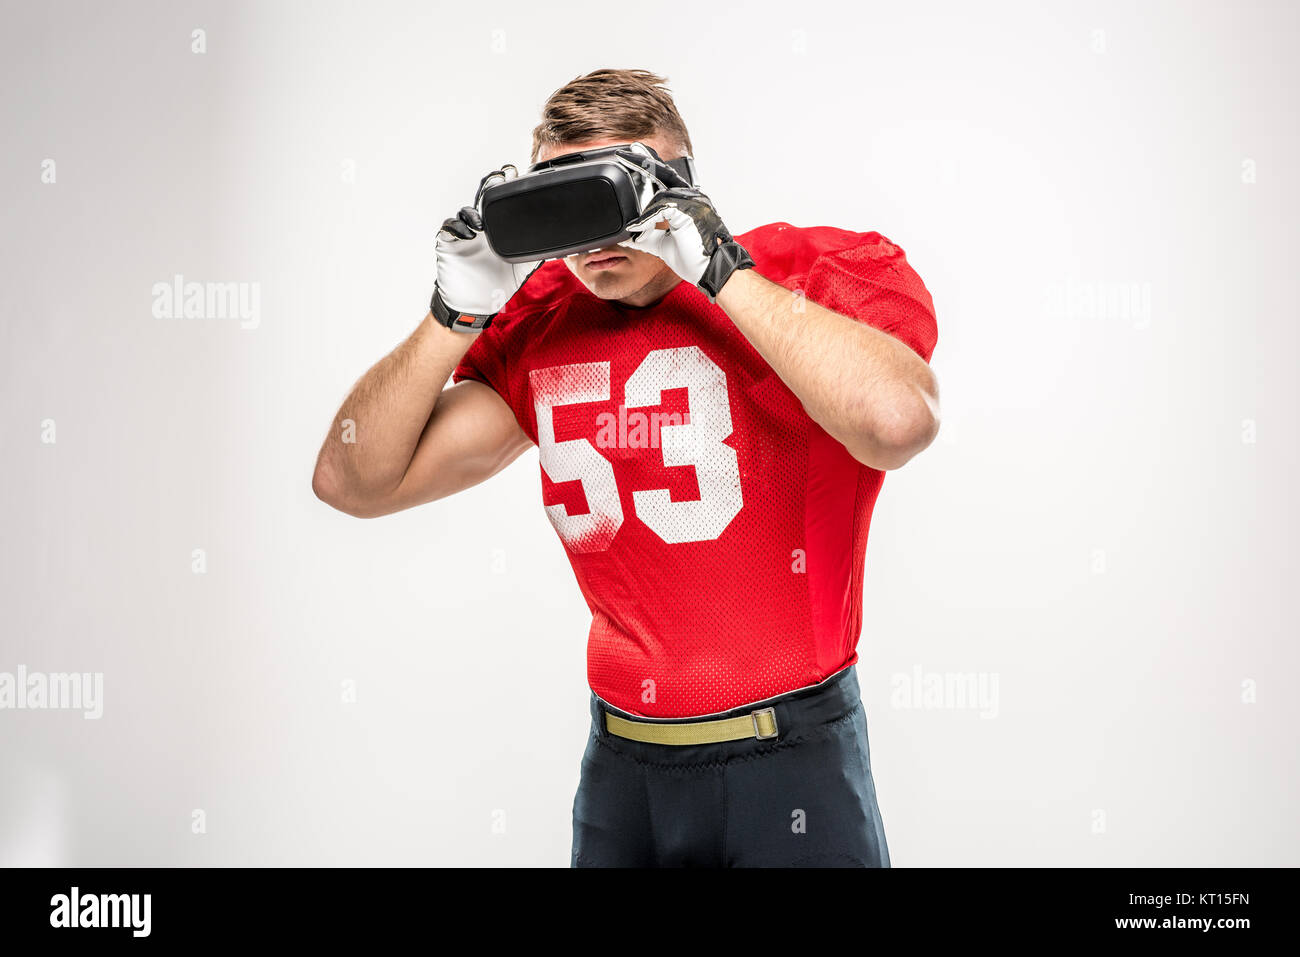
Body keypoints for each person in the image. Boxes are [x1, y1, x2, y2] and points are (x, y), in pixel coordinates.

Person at [312, 68, 940, 867]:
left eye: (614, 194)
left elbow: (897, 421)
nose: (595, 236)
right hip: (622, 772)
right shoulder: (541, 322)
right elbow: (350, 481)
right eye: (560, 204)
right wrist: (454, 313)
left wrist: (717, 266)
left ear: (682, 187)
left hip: (789, 760)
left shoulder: (801, 277)